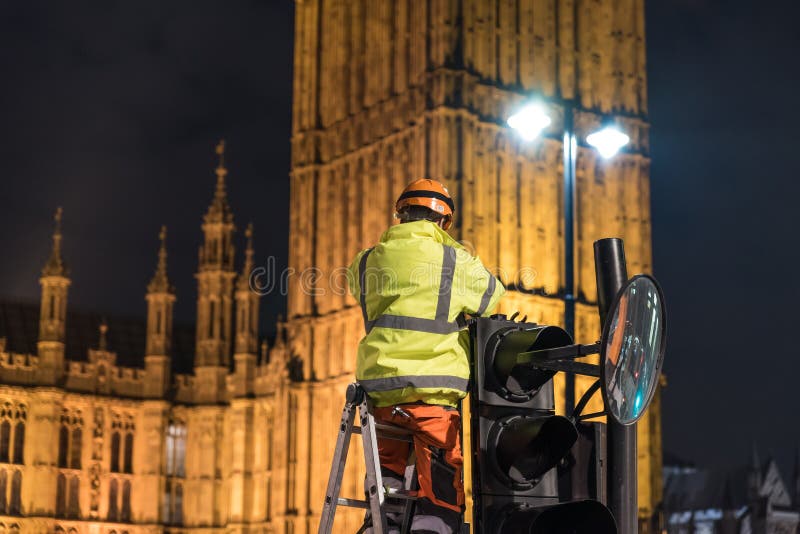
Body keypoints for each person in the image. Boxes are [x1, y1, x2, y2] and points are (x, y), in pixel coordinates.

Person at [348, 178, 505, 534]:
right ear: (444, 221)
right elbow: (492, 294)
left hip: (380, 392)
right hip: (432, 392)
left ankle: (381, 523)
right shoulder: (452, 259)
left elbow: (353, 283)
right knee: (440, 479)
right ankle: (433, 524)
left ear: (400, 215)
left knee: (387, 470)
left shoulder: (367, 261)